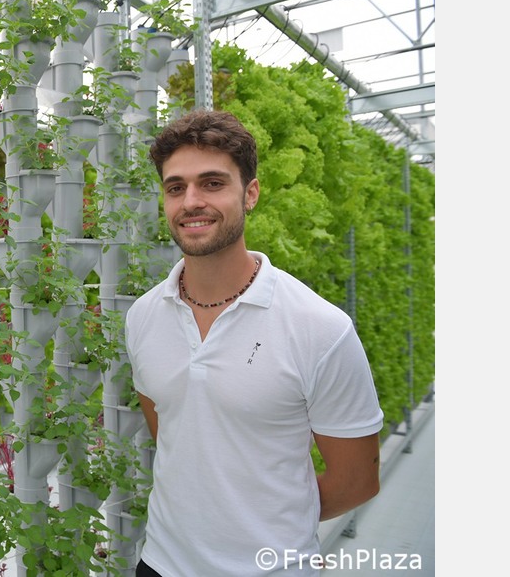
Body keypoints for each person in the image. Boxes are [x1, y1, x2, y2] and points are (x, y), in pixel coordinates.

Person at [126, 109, 383, 576]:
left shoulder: (319, 328)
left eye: (212, 183)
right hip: (161, 563)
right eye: (175, 187)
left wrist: (264, 524)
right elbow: (172, 436)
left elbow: (356, 482)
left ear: (251, 193)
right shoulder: (144, 316)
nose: (191, 202)